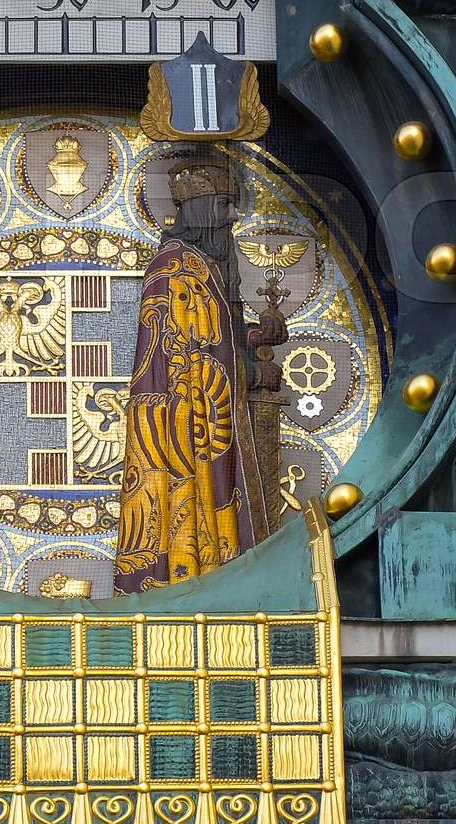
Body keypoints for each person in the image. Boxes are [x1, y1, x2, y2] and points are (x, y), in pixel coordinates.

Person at [114, 147, 263, 592]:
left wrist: (252, 339)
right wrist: (252, 375)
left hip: (206, 421)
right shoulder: (175, 268)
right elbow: (188, 363)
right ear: (198, 207)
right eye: (223, 207)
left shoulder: (204, 267)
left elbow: (211, 344)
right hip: (186, 431)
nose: (230, 221)